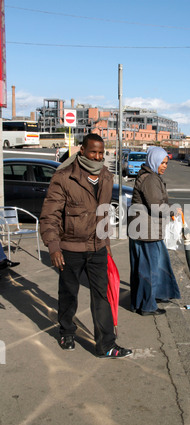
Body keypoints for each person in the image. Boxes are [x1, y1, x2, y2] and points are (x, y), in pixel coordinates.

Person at [39, 133, 132, 358]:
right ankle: (67, 331)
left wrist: (106, 244)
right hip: (69, 250)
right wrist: (54, 246)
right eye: (93, 151)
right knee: (69, 293)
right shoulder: (64, 177)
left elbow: (104, 215)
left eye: (101, 153)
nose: (98, 156)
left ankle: (106, 345)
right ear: (82, 151)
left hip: (97, 248)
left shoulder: (107, 177)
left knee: (102, 297)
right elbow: (49, 215)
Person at [128, 146, 181, 316]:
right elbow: (157, 207)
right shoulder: (150, 179)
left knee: (152, 267)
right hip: (146, 231)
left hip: (145, 230)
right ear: (154, 161)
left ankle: (150, 298)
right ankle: (146, 306)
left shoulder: (150, 176)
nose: (164, 166)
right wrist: (173, 210)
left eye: (166, 163)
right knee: (148, 270)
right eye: (162, 162)